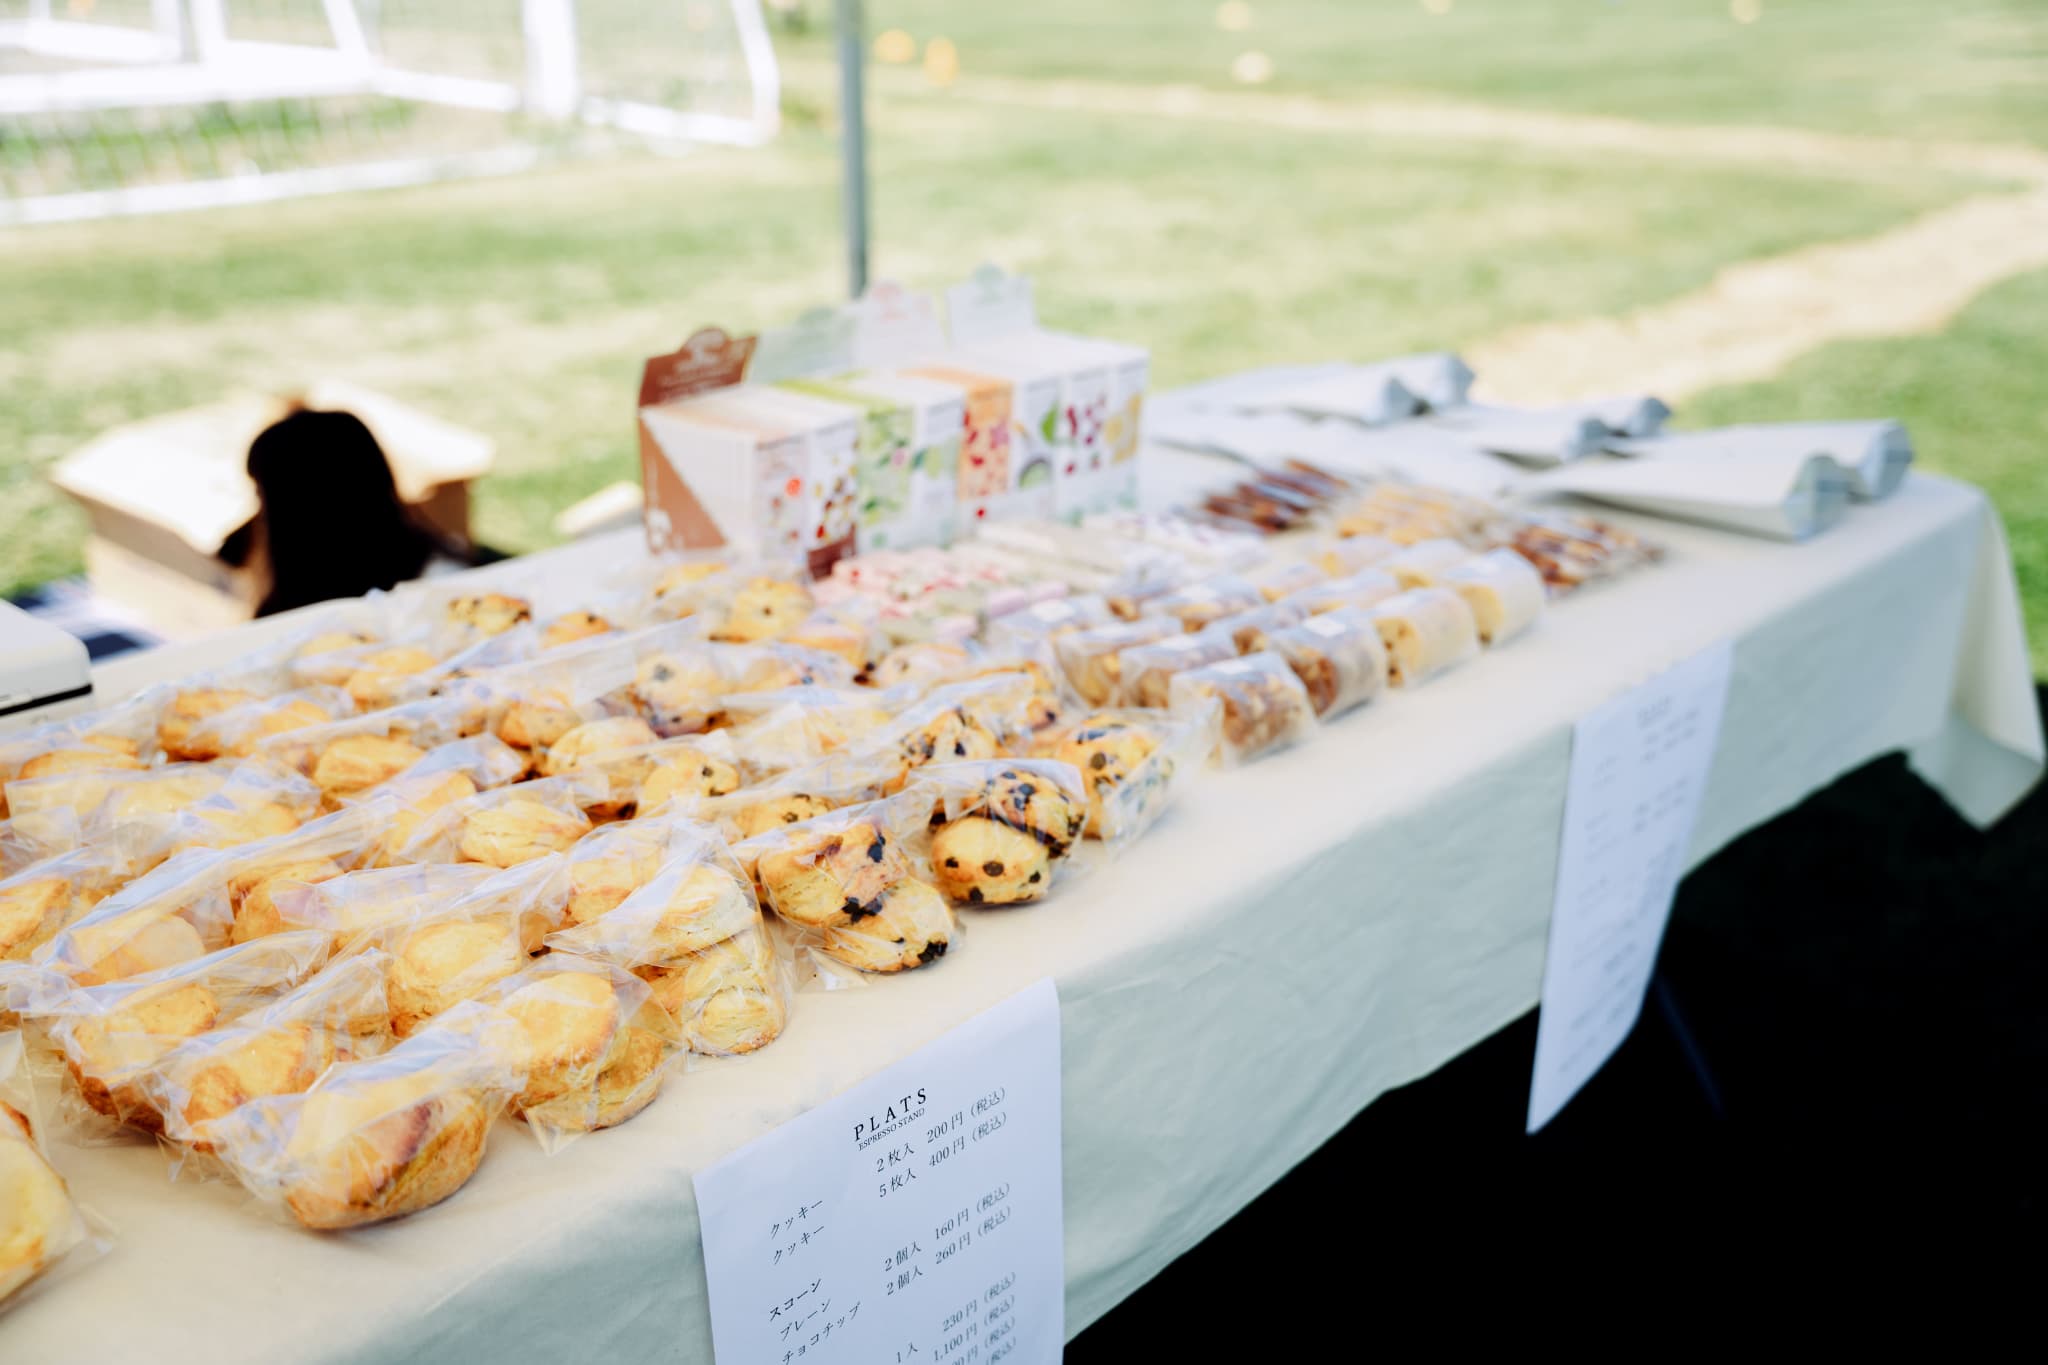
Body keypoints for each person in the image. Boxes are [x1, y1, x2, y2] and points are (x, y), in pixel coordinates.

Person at [224, 407, 481, 617]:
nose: (258, 514)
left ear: (294, 517)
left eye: (262, 496)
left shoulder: (437, 597)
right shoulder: (442, 570)